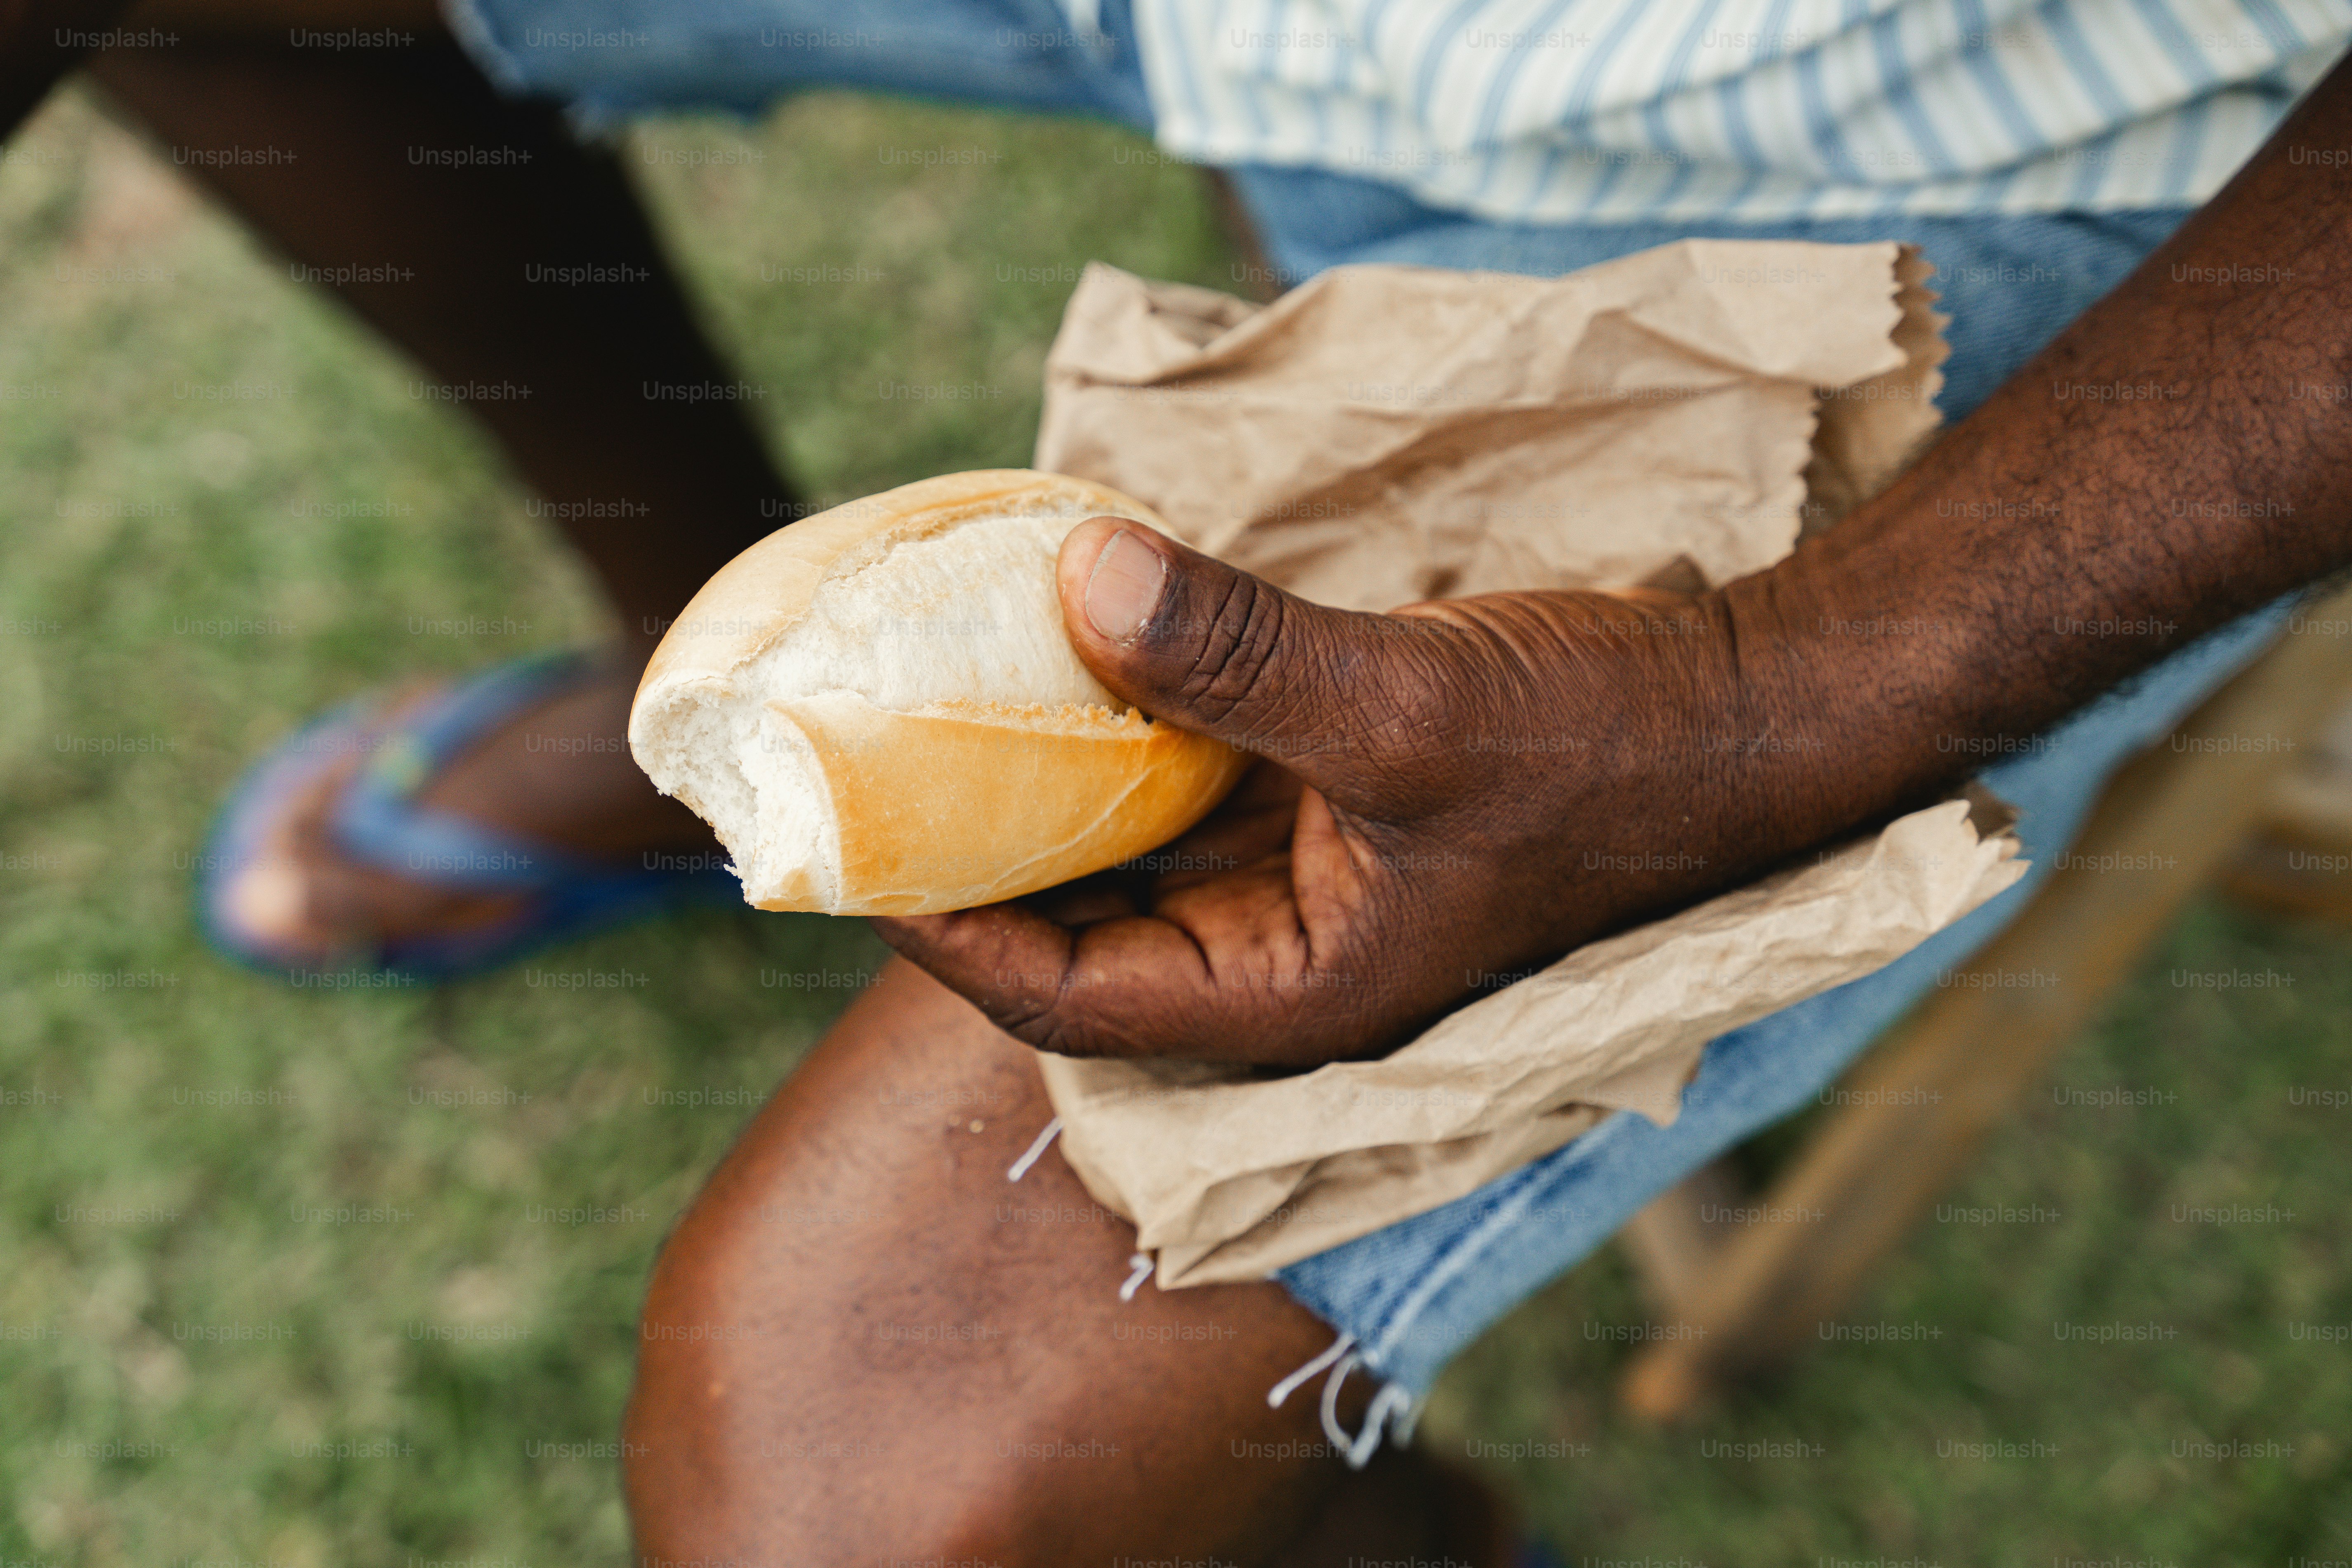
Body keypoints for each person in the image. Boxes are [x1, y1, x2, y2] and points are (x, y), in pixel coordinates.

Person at [9, 0, 2351, 1559]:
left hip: (1992, 127)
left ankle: (1349, 1527)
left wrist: (1770, 691)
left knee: (854, 1458)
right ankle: (715, 694)